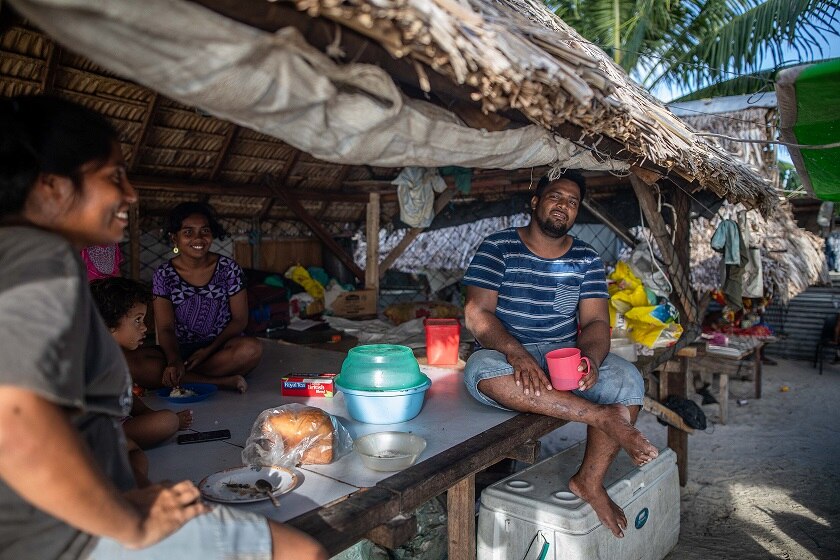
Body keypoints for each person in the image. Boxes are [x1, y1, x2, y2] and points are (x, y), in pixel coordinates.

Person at [0, 94, 326, 560]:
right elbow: (13, 421)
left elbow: (237, 322)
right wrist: (127, 521)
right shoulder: (39, 260)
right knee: (301, 552)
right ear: (51, 186)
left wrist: (127, 486)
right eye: (114, 176)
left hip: (70, 513)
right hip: (59, 534)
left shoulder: (27, 255)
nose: (130, 194)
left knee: (246, 349)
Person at [462, 170, 659, 539]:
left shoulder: (585, 258)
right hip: (505, 354)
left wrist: (590, 360)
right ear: (536, 202)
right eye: (556, 197)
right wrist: (517, 355)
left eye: (572, 202)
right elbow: (477, 313)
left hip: (563, 357)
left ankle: (589, 481)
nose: (563, 206)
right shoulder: (497, 246)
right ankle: (605, 418)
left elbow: (598, 322)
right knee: (481, 371)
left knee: (628, 379)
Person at [90, 277, 193, 485]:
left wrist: (148, 414)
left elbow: (127, 396)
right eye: (137, 320)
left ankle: (133, 486)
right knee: (168, 421)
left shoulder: (115, 357)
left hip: (118, 428)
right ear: (109, 326)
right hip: (94, 433)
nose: (144, 328)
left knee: (138, 457)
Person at [152, 202, 261, 393]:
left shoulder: (228, 269)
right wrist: (174, 360)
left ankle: (182, 378)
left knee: (251, 349)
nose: (198, 238)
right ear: (174, 238)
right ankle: (218, 381)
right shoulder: (163, 274)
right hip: (180, 350)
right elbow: (165, 327)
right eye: (188, 232)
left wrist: (207, 351)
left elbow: (240, 320)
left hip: (219, 348)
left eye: (204, 231)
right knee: (134, 363)